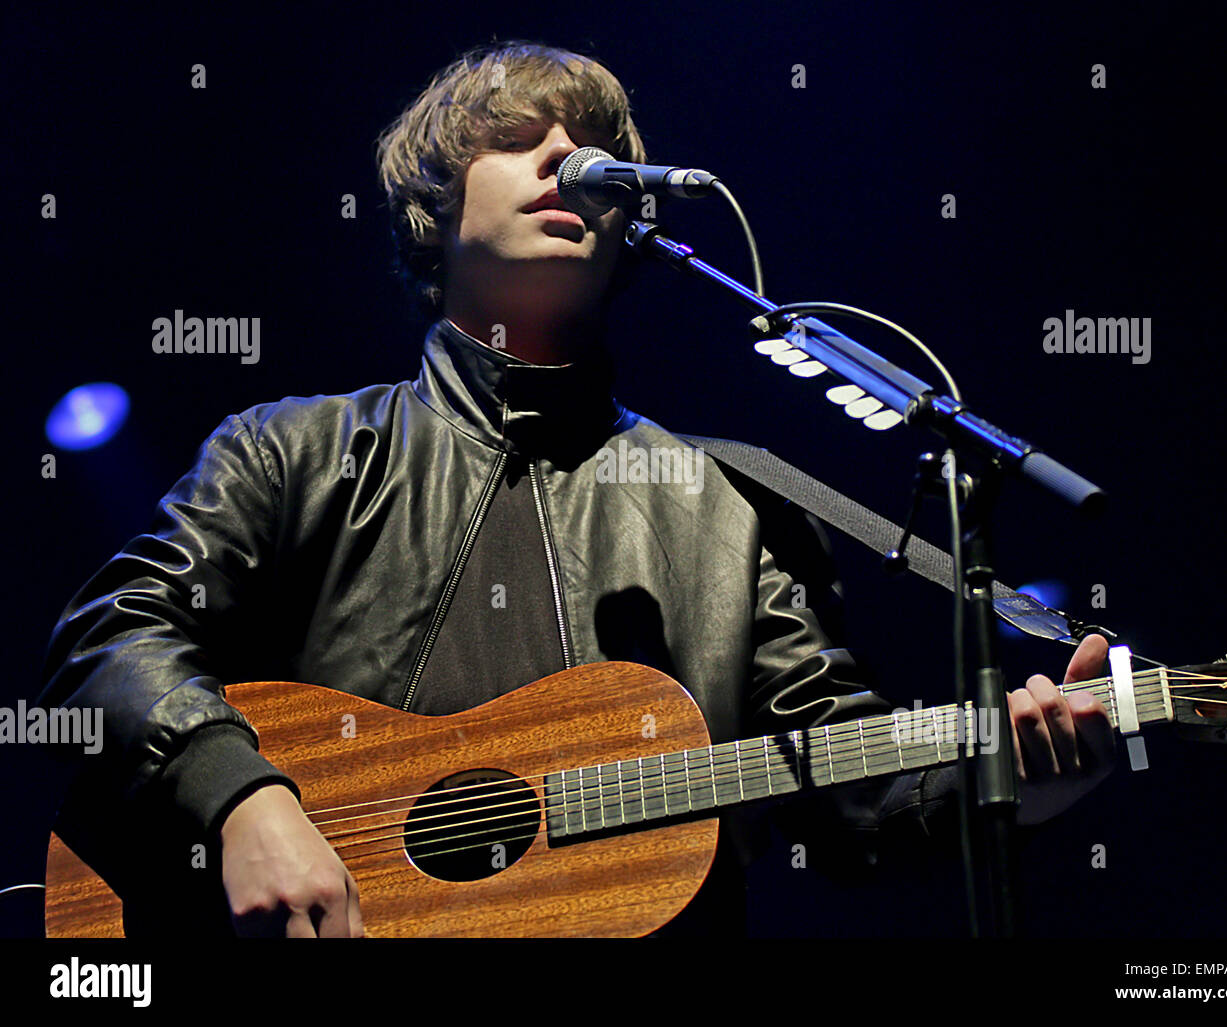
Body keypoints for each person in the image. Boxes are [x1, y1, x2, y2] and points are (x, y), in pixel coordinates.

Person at [38, 40, 1116, 938]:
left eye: (594, 148)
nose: (568, 157)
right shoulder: (295, 449)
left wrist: (1026, 776)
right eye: (516, 140)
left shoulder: (729, 506)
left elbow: (849, 800)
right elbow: (110, 638)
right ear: (433, 212)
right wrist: (245, 799)